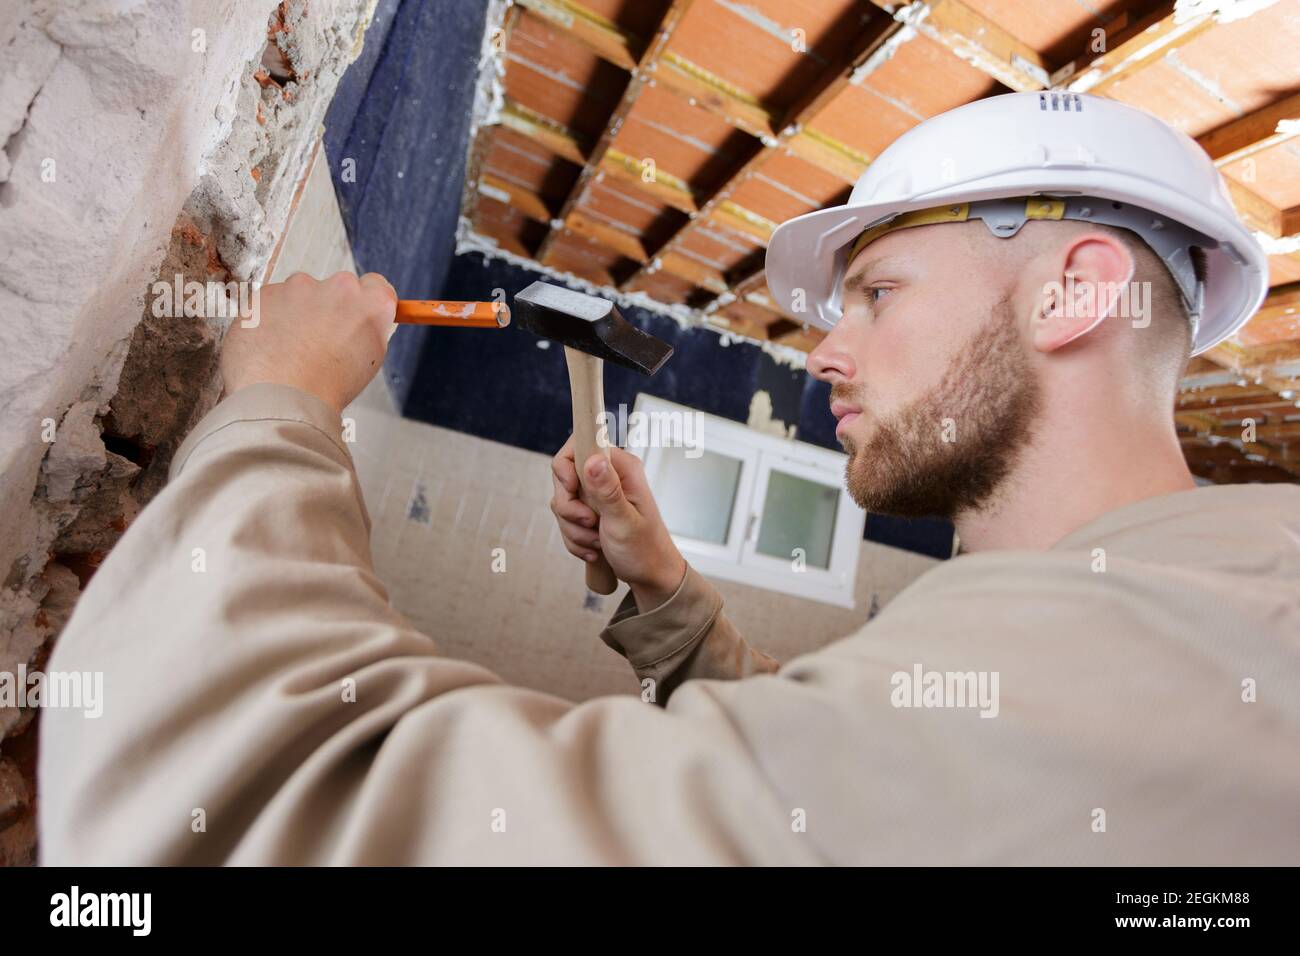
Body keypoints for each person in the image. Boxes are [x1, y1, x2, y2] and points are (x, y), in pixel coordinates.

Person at [39, 94, 1299, 865]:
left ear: (1073, 289)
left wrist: (280, 404)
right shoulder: (1163, 627)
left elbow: (267, 819)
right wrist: (667, 597)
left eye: (878, 290)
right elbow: (818, 787)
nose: (829, 350)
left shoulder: (1147, 652)